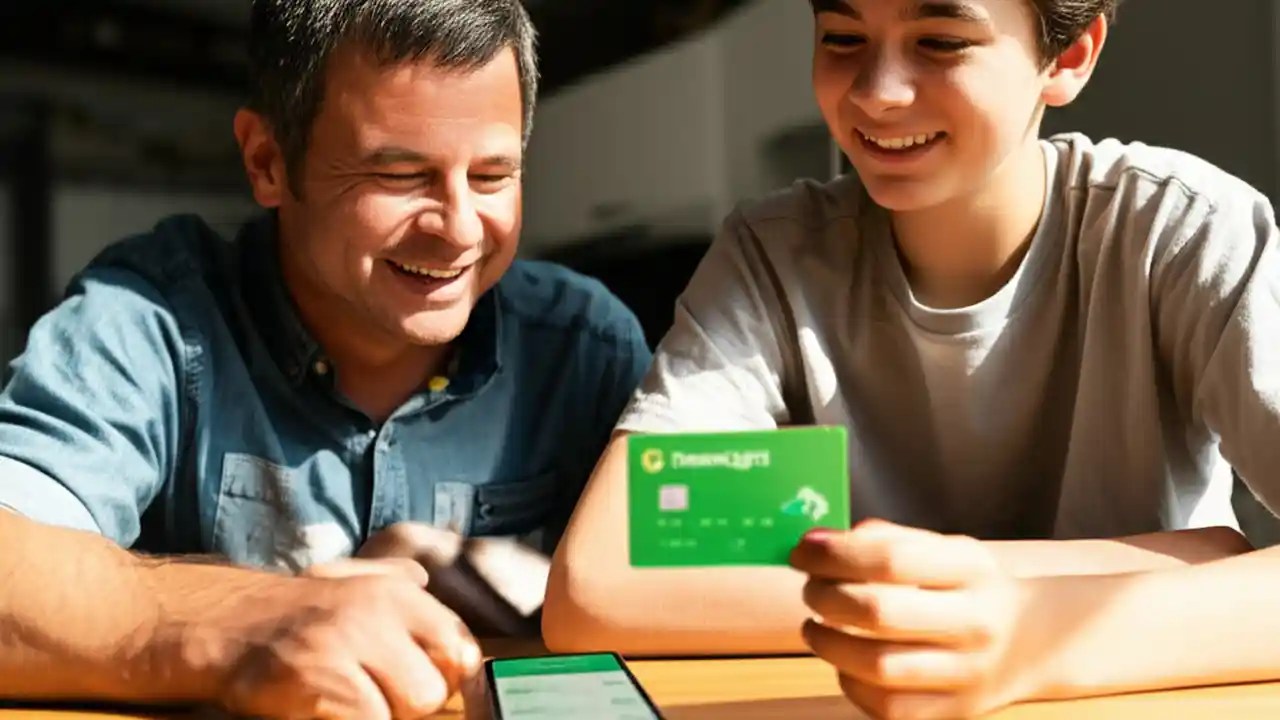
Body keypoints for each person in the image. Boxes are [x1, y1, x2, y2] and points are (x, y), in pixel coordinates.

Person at [545, 0, 1280, 716]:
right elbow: (595, 588)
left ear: (1068, 55)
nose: (877, 93)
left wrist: (1029, 635)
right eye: (841, 37)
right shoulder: (770, 256)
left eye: (941, 41)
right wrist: (1170, 562)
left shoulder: (1184, 229)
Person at [0, 0, 651, 717]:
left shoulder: (583, 347)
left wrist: (519, 583)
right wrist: (256, 618)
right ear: (268, 161)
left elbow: (698, 577)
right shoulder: (150, 321)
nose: (461, 230)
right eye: (400, 175)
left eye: (493, 176)